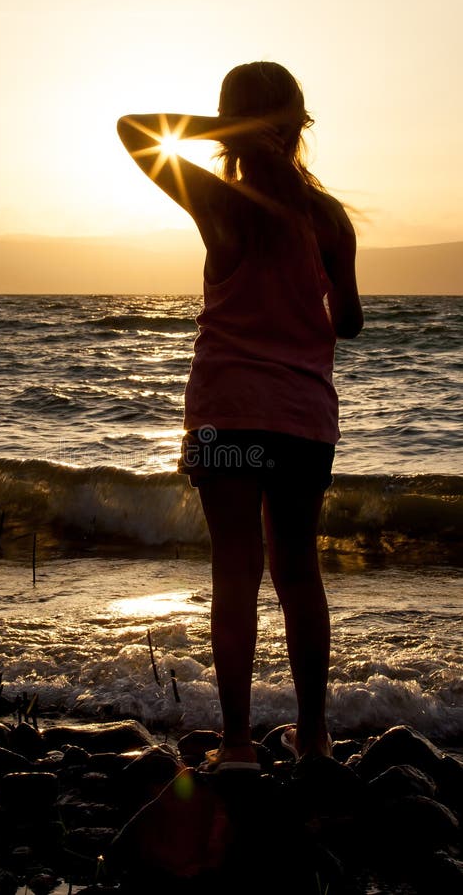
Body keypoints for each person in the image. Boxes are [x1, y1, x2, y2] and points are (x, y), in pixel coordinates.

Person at [118, 61, 363, 766]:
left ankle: (234, 745)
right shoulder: (328, 218)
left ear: (231, 124)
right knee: (298, 571)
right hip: (300, 417)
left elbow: (132, 131)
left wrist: (222, 132)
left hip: (227, 411)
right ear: (300, 125)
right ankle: (314, 739)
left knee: (235, 569)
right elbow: (347, 323)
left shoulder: (218, 203)